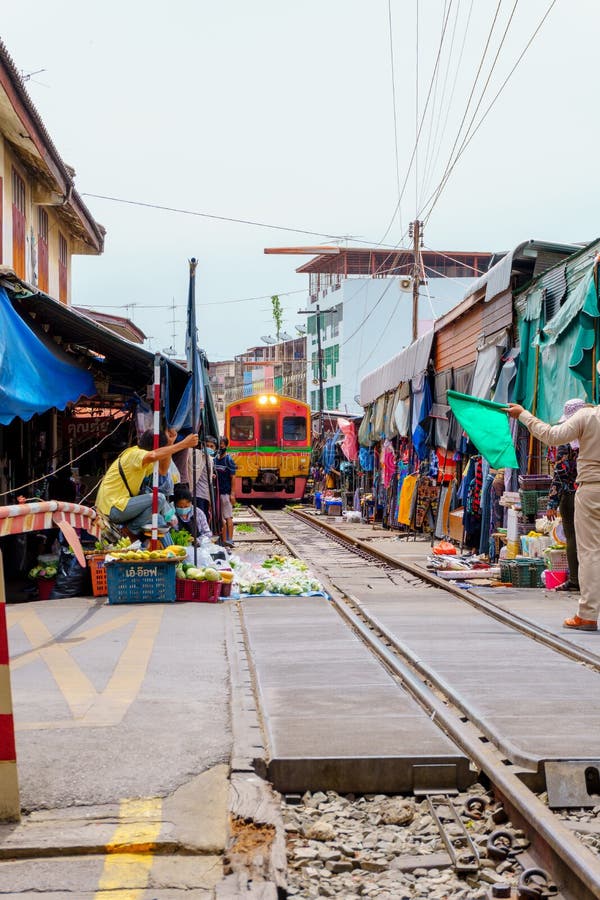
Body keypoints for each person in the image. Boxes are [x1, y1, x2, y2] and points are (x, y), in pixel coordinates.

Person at [508, 391, 600, 631]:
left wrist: (524, 415)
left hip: (592, 491)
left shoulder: (588, 416)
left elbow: (551, 435)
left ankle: (588, 614)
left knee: (590, 552)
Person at [96, 429, 198, 535]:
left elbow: (163, 470)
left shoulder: (142, 460)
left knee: (158, 513)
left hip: (119, 506)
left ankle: (134, 532)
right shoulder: (135, 454)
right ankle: (130, 531)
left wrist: (170, 444)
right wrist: (183, 444)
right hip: (112, 507)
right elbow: (153, 455)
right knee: (158, 498)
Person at [545, 398, 585, 593]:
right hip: (590, 491)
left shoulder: (566, 440)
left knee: (573, 537)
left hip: (571, 495)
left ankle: (576, 580)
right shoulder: (591, 434)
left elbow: (560, 473)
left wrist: (552, 501)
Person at [215, 436, 237, 547]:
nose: (220, 447)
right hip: (217, 493)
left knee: (228, 517)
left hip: (225, 493)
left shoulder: (229, 460)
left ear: (226, 445)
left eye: (222, 444)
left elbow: (233, 477)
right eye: (218, 445)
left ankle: (230, 539)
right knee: (221, 518)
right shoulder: (215, 459)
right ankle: (224, 540)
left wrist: (232, 494)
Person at [189, 435, 217, 519]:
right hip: (197, 493)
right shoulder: (197, 456)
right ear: (202, 445)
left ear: (215, 448)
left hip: (205, 494)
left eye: (211, 446)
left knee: (204, 516)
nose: (209, 448)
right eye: (207, 445)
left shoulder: (210, 459)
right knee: (200, 517)